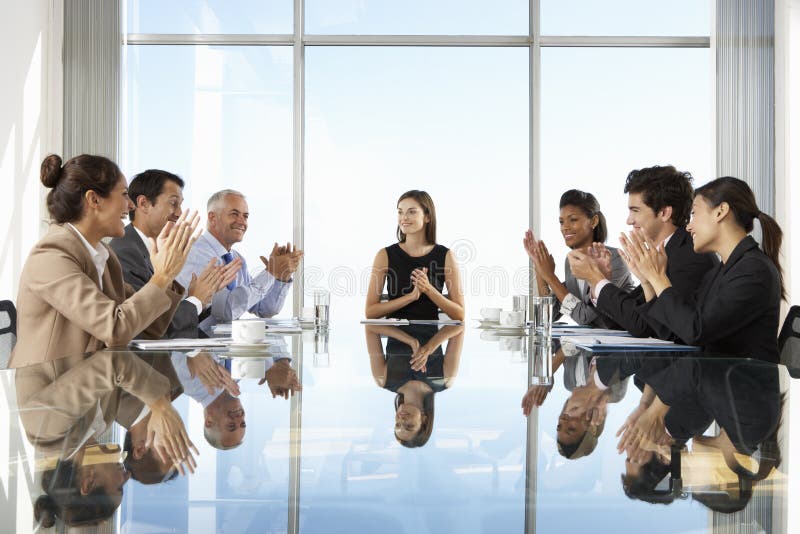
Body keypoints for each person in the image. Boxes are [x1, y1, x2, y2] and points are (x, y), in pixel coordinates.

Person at [9, 154, 197, 371]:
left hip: (90, 387)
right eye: (125, 194)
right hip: (49, 395)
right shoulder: (51, 255)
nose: (130, 205)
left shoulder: (103, 255)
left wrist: (169, 273)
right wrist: (161, 275)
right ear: (94, 200)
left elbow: (154, 325)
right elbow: (114, 329)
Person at [621, 177, 784, 362]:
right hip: (718, 381)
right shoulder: (719, 271)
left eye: (694, 214)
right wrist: (647, 282)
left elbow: (696, 331)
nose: (689, 226)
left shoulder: (754, 270)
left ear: (720, 212)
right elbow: (677, 334)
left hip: (744, 386)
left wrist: (659, 278)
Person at [568, 165, 717, 339]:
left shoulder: (691, 255)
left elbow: (642, 325)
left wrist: (597, 280)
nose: (629, 220)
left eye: (635, 210)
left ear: (664, 212)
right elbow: (623, 321)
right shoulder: (666, 250)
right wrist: (600, 282)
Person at [110, 169, 240, 338]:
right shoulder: (124, 252)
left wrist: (205, 294)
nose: (179, 213)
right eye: (173, 203)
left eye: (180, 205)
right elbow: (152, 325)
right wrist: (196, 300)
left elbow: (172, 318)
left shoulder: (163, 250)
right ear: (143, 204)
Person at [176, 189, 303, 335]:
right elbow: (226, 311)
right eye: (234, 214)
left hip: (222, 350)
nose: (242, 222)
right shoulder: (196, 253)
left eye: (245, 216)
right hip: (194, 350)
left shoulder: (237, 258)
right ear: (212, 218)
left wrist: (280, 277)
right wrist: (270, 272)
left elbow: (264, 309)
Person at [523, 189, 635, 327]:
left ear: (593, 221)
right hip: (592, 343)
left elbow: (584, 316)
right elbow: (548, 315)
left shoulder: (613, 259)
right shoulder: (571, 261)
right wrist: (540, 269)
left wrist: (550, 276)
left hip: (622, 344)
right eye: (561, 222)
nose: (565, 227)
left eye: (573, 220)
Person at [365, 190, 465, 321]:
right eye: (400, 212)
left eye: (411, 212)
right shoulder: (384, 255)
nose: (404, 217)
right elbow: (370, 312)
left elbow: (460, 314)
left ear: (427, 217)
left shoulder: (446, 256)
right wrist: (411, 297)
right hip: (396, 337)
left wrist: (428, 289)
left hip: (432, 339)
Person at [365, 324, 464, 448]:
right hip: (432, 307)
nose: (401, 420)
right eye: (409, 426)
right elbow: (459, 327)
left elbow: (370, 327)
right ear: (425, 420)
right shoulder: (444, 380)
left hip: (394, 306)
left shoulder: (383, 379)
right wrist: (429, 347)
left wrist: (410, 341)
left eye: (397, 424)